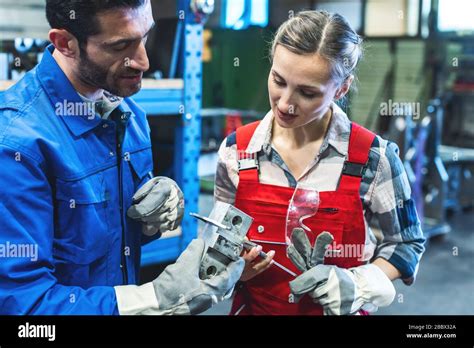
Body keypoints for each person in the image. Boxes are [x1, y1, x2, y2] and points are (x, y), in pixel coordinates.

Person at [0, 0, 244, 315]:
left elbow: (101, 244)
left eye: (145, 37)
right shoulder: (17, 146)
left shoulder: (128, 115)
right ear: (65, 43)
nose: (143, 61)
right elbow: (24, 308)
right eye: (120, 46)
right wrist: (153, 300)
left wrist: (149, 220)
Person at [215, 10, 426, 315]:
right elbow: (219, 242)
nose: (285, 103)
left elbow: (406, 243)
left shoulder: (373, 159)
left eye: (307, 92)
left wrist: (360, 284)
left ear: (341, 89)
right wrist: (234, 269)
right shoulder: (237, 152)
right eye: (278, 80)